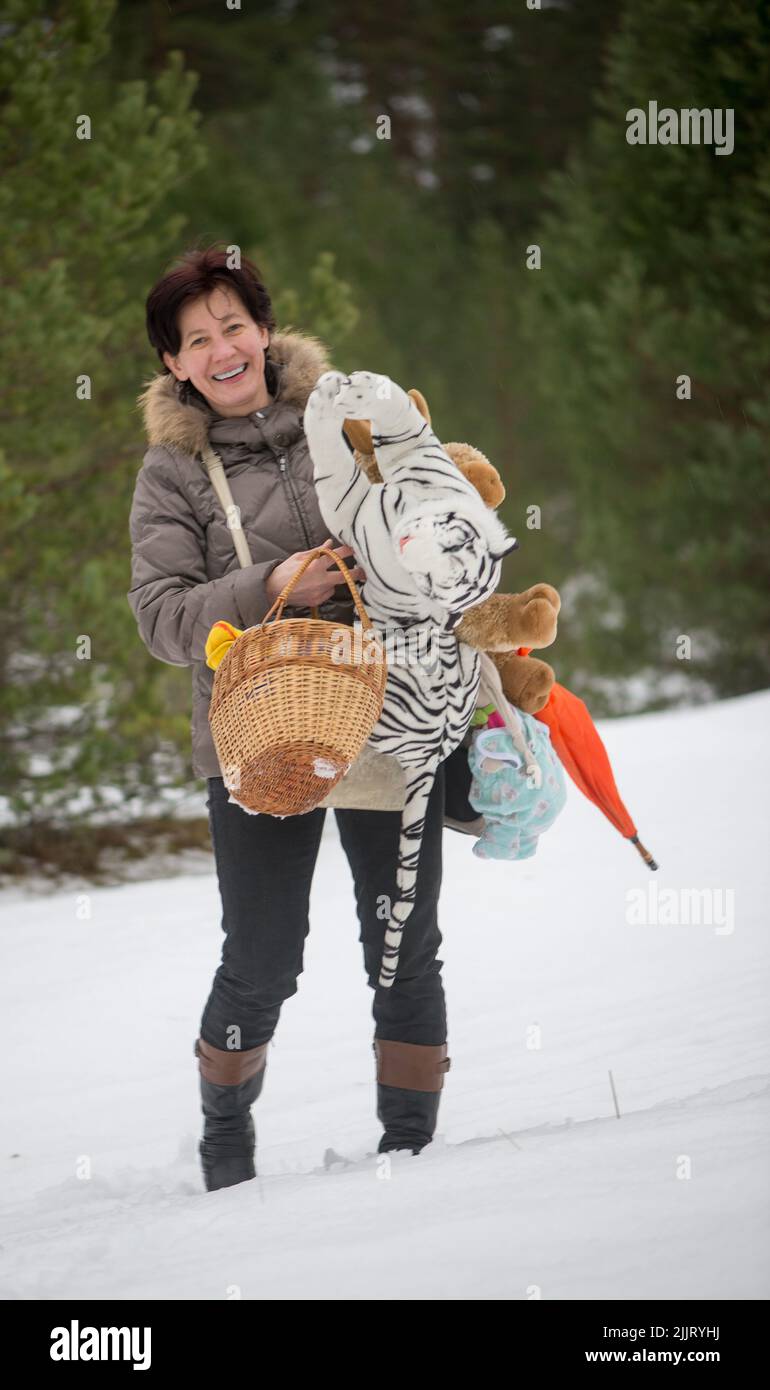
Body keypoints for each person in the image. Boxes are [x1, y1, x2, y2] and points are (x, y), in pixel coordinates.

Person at [127, 244, 452, 1191]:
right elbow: (162, 619)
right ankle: (226, 1140)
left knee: (402, 936)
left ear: (264, 332)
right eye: (197, 339)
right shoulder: (169, 476)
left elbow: (429, 525)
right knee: (264, 958)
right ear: (174, 364)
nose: (222, 349)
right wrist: (269, 582)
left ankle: (414, 1155)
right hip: (256, 735)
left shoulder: (344, 423)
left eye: (234, 325)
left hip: (385, 712)